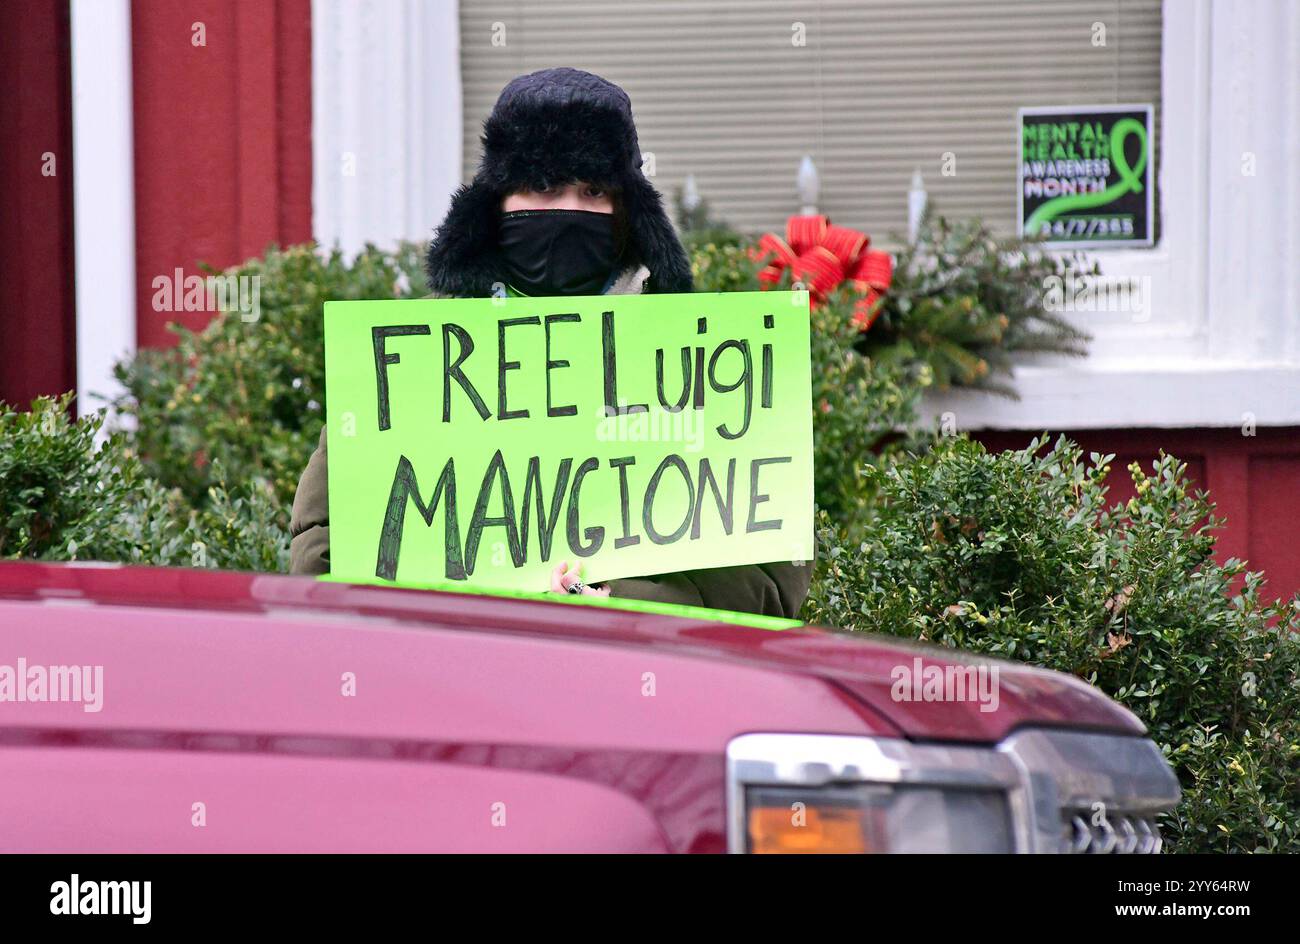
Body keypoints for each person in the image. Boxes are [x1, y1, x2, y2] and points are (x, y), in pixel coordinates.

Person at [289, 67, 811, 619]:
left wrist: (625, 604)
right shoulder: (420, 362)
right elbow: (324, 559)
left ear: (627, 209)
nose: (570, 210)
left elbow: (772, 590)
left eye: (593, 190)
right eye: (542, 187)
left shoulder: (699, 366)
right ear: (497, 204)